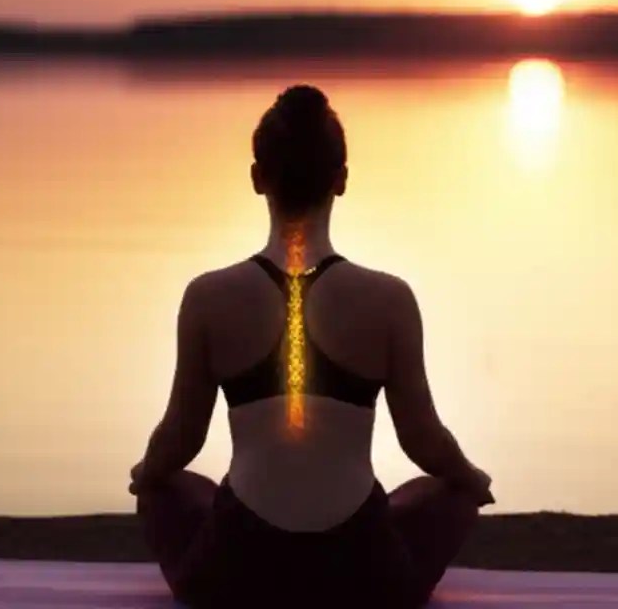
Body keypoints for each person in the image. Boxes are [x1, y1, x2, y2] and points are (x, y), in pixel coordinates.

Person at [130, 85, 494, 608]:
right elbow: (424, 440)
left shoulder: (208, 297)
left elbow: (179, 439)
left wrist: (146, 472)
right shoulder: (389, 299)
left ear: (259, 178)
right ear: (340, 180)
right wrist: (470, 477)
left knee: (167, 489)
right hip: (364, 576)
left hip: (236, 575)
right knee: (449, 494)